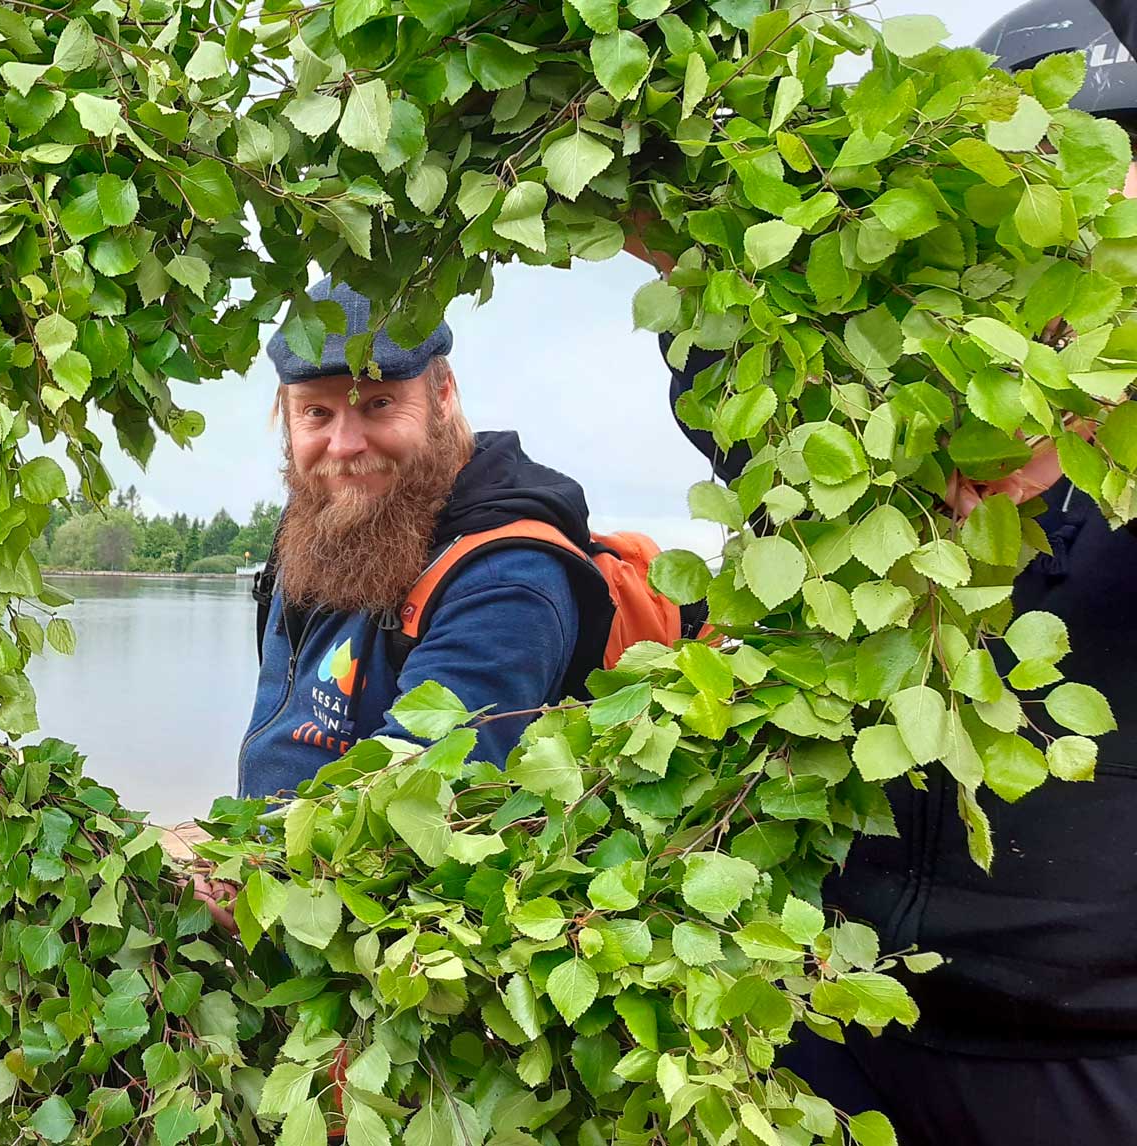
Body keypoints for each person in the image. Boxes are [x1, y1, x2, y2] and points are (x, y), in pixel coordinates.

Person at [624, 3, 1137, 1140]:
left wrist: (1095, 396)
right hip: (839, 1026)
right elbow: (723, 318)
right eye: (1013, 186)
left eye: (1101, 173)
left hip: (1089, 1062)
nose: (1061, 233)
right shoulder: (868, 416)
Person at [234, 277, 591, 801]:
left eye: (378, 403)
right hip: (266, 862)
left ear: (442, 395)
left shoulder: (506, 580)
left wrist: (243, 863)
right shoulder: (321, 521)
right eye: (317, 412)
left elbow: (408, 805)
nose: (345, 445)